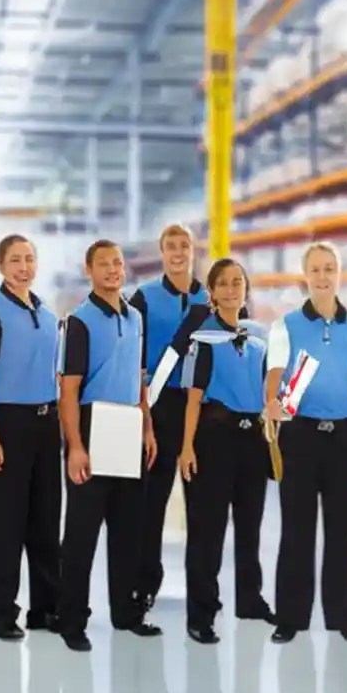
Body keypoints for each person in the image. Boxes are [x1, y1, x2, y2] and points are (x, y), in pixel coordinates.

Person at [56, 239, 163, 652]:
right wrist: (76, 447)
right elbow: (68, 390)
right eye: (104, 264)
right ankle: (72, 620)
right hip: (92, 423)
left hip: (128, 425)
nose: (113, 270)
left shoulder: (135, 317)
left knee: (127, 530)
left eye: (118, 263)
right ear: (90, 270)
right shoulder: (80, 322)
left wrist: (147, 427)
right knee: (82, 532)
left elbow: (139, 377)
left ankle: (125, 613)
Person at [264, 241, 347, 644]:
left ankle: (346, 617)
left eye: (330, 268)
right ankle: (290, 618)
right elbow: (275, 377)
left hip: (345, 439)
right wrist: (273, 403)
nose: (323, 277)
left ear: (339, 273)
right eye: (316, 270)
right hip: (301, 437)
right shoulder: (286, 326)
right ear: (305, 275)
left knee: (342, 531)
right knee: (296, 530)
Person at [0, 234, 63, 642]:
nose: (24, 267)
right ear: (1, 266)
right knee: (5, 524)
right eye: (15, 260)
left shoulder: (48, 313)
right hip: (7, 424)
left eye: (29, 259)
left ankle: (44, 609)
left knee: (44, 521)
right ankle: (3, 612)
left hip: (45, 423)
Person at [176, 258, 276, 645]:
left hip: (252, 441)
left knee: (250, 527)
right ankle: (201, 612)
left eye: (238, 282)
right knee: (208, 531)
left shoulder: (258, 341)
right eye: (224, 284)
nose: (232, 289)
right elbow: (193, 400)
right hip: (214, 441)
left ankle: (250, 599)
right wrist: (186, 448)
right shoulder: (203, 340)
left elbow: (269, 394)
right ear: (212, 293)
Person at [128, 223, 210, 614]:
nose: (178, 252)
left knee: (202, 505)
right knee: (151, 502)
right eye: (171, 246)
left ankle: (202, 590)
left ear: (194, 251)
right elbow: (135, 360)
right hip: (158, 408)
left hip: (202, 411)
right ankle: (144, 584)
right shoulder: (143, 299)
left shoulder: (213, 299)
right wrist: (143, 419)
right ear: (162, 252)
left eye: (184, 246)